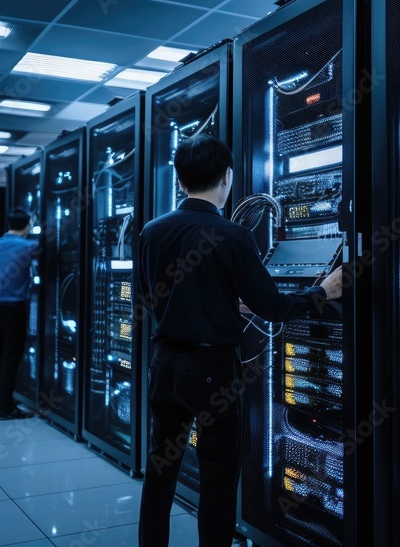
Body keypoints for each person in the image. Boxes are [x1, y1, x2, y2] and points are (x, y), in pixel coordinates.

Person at [136, 134, 343, 546]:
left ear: (180, 181)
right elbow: (272, 307)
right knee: (217, 474)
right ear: (227, 176)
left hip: (164, 365)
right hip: (210, 369)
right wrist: (325, 292)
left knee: (161, 466)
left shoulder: (151, 231)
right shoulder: (231, 235)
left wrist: (218, 303)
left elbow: (150, 297)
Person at [0, 207, 40, 420]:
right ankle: (6, 408)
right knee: (10, 357)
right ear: (28, 225)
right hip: (13, 309)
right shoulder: (30, 245)